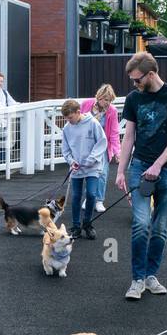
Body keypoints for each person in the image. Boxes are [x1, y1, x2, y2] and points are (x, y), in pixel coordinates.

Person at [116, 52, 167, 301]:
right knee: (140, 224)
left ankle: (150, 275)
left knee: (159, 228)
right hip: (139, 167)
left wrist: (158, 165)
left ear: (151, 74)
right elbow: (129, 137)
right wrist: (120, 170)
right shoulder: (133, 99)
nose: (134, 84)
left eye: (137, 80)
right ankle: (137, 279)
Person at [60, 99, 107, 240]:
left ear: (78, 112)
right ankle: (75, 226)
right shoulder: (67, 129)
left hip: (93, 166)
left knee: (92, 194)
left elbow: (102, 142)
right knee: (75, 196)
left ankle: (87, 224)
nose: (68, 121)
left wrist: (91, 159)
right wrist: (71, 161)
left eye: (70, 117)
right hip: (76, 168)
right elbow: (66, 149)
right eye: (66, 118)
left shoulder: (93, 123)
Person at [82, 84, 119, 214]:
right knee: (88, 172)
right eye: (103, 99)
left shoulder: (112, 111)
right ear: (98, 97)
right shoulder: (86, 105)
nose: (105, 102)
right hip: (87, 145)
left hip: (103, 145)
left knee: (102, 173)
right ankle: (89, 198)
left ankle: (99, 200)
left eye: (108, 100)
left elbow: (114, 132)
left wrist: (116, 152)